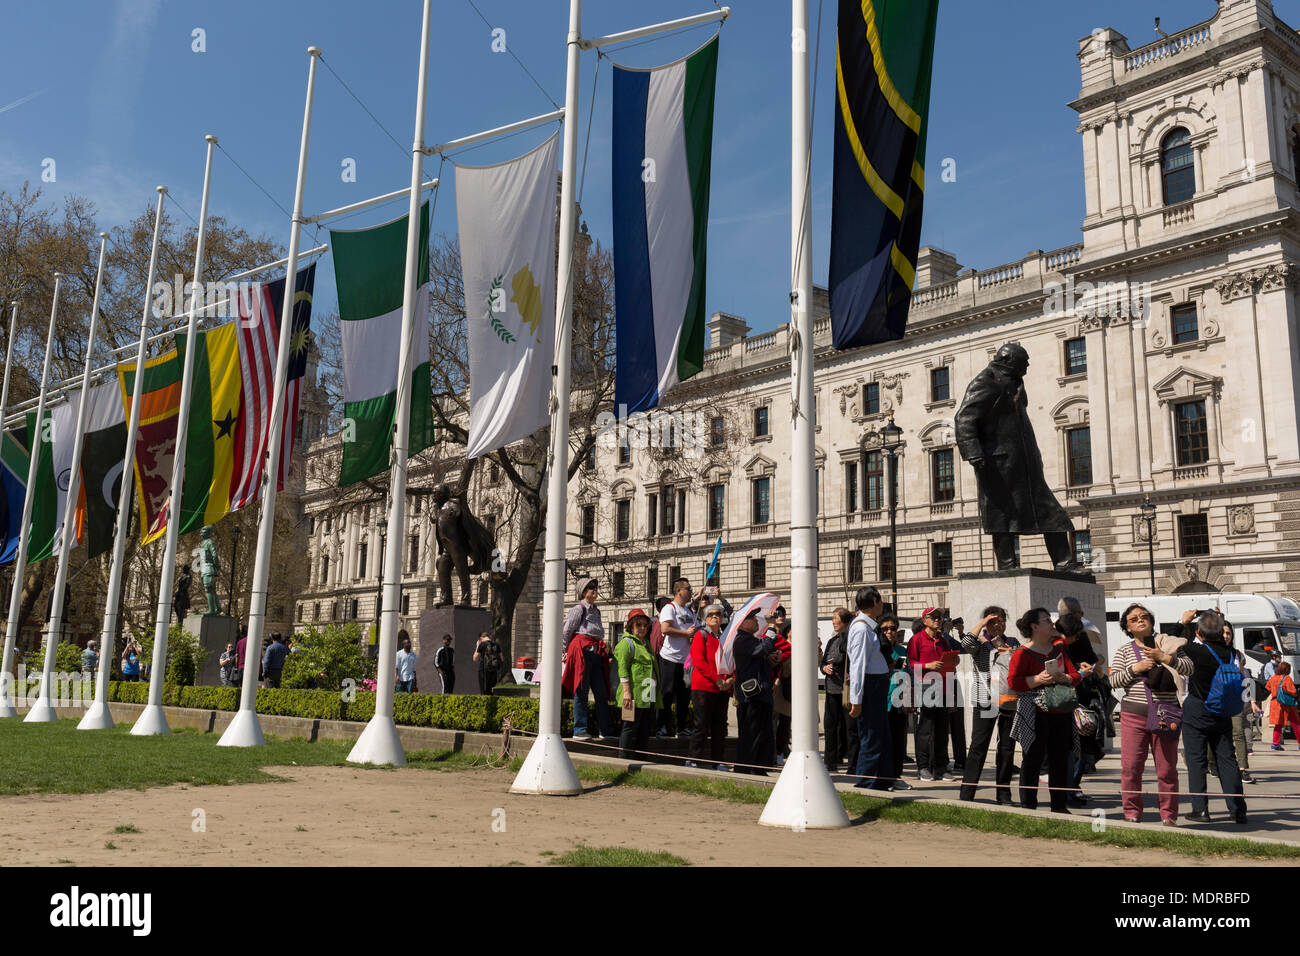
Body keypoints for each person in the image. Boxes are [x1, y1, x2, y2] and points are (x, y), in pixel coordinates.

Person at [1108, 603, 1193, 825]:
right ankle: (1132, 812)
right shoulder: (1124, 651)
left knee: (1166, 769)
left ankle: (1169, 816)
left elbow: (1189, 667)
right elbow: (1112, 680)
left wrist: (1164, 657)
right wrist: (1135, 669)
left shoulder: (1169, 644)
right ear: (1127, 628)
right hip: (1133, 714)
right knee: (1131, 767)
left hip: (1166, 712)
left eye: (1144, 616)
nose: (1140, 620)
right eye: (1134, 619)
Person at [1008, 607, 1081, 813]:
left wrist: (1064, 678)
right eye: (1047, 620)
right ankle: (1028, 805)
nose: (1052, 624)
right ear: (1034, 626)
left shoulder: (1058, 650)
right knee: (1032, 759)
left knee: (1060, 760)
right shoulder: (1021, 653)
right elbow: (1014, 683)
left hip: (1060, 710)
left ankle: (1058, 806)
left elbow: (1075, 676)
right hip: (1034, 712)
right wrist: (1037, 680)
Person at [1178, 610, 1247, 824]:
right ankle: (1237, 809)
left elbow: (1173, 639)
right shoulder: (1230, 652)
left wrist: (1184, 621)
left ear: (1198, 631)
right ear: (1221, 631)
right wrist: (1217, 618)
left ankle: (1201, 809)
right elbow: (1216, 634)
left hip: (1198, 708)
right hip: (1223, 709)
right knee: (1227, 759)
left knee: (1196, 760)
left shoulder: (1196, 651)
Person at [959, 606, 1019, 804]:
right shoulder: (981, 645)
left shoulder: (1013, 643)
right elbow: (965, 643)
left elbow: (1023, 664)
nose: (997, 624)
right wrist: (982, 624)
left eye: (1000, 620)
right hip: (984, 700)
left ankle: (1004, 794)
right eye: (992, 621)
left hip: (1008, 701)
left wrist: (1011, 653)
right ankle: (967, 794)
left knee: (1007, 748)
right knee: (978, 746)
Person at [847, 587, 892, 791]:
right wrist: (856, 699)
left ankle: (882, 780)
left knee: (881, 734)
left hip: (877, 684)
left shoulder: (868, 626)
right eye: (880, 601)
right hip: (870, 686)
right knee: (872, 735)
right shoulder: (861, 628)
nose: (882, 605)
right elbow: (857, 665)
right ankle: (866, 781)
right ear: (874, 601)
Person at [1055, 612, 1100, 807]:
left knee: (1077, 750)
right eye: (1076, 634)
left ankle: (1070, 790)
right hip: (1067, 703)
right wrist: (1079, 670)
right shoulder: (1057, 646)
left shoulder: (1066, 644)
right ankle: (1068, 792)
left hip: (1076, 702)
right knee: (1075, 750)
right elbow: (1059, 672)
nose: (1078, 638)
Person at [907, 607, 955, 782]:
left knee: (942, 731)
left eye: (940, 617)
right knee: (924, 731)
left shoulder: (943, 640)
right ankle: (923, 767)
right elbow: (910, 664)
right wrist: (928, 666)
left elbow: (949, 667)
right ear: (924, 620)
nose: (938, 619)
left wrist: (951, 694)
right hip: (925, 689)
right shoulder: (916, 639)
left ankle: (941, 768)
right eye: (933, 617)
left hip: (943, 689)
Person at [732, 608, 779, 775]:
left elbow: (762, 653)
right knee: (751, 733)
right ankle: (746, 768)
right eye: (753, 618)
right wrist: (771, 628)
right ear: (744, 623)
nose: (758, 621)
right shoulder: (742, 640)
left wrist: (771, 658)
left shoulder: (751, 639)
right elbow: (761, 649)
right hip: (752, 696)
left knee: (763, 733)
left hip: (761, 695)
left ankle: (758, 768)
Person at [686, 603, 732, 769]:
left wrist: (729, 679)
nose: (715, 616)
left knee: (720, 727)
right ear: (705, 618)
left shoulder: (723, 639)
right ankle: (693, 759)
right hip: (703, 687)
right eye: (711, 614)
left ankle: (717, 761)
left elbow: (729, 662)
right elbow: (699, 662)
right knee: (702, 725)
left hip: (722, 689)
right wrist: (717, 680)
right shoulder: (701, 635)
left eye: (718, 614)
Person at [562, 606, 615, 741]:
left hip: (595, 653)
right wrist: (565, 650)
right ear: (584, 591)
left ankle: (605, 730)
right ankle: (579, 730)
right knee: (581, 691)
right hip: (582, 651)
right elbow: (567, 630)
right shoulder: (579, 609)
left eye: (595, 587)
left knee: (601, 693)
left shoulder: (596, 610)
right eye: (591, 587)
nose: (594, 591)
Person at [615, 609, 661, 759]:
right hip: (633, 693)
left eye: (645, 625)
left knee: (645, 728)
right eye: (638, 624)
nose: (642, 628)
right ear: (630, 626)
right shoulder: (626, 643)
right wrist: (627, 692)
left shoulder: (646, 643)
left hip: (648, 692)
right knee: (629, 727)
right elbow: (622, 669)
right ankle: (623, 759)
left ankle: (642, 759)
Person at [657, 577, 698, 739]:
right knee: (667, 694)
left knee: (684, 695)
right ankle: (661, 727)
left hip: (686, 660)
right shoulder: (670, 608)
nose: (690, 591)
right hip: (670, 658)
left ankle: (680, 727)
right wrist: (685, 633)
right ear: (679, 591)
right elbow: (665, 628)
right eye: (688, 588)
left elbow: (691, 632)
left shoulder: (689, 612)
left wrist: (692, 636)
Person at [879, 613, 911, 790]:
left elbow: (906, 676)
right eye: (885, 629)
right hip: (882, 702)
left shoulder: (902, 651)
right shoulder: (876, 650)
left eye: (893, 628)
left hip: (899, 702)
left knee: (899, 742)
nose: (889, 632)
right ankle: (884, 777)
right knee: (885, 742)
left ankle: (896, 776)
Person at [821, 608, 852, 772]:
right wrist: (824, 667)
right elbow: (823, 661)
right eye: (833, 618)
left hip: (846, 690)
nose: (833, 622)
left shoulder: (849, 639)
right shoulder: (832, 641)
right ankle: (830, 760)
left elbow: (844, 658)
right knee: (830, 726)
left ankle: (851, 762)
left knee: (848, 727)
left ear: (845, 622)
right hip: (831, 689)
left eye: (836, 619)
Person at [941, 613, 967, 772]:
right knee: (941, 724)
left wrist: (960, 633)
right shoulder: (936, 638)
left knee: (957, 722)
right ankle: (941, 760)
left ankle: (961, 759)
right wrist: (945, 631)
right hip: (937, 683)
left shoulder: (947, 638)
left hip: (952, 681)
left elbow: (964, 648)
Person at [1265, 661, 1300, 750]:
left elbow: (1267, 687)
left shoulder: (1273, 678)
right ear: (1287, 670)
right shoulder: (1287, 678)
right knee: (1296, 723)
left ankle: (1275, 744)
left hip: (1276, 704)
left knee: (1278, 725)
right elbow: (1293, 691)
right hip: (1287, 704)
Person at [473, 630, 504, 695]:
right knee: (491, 690)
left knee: (484, 691)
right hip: (493, 670)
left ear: (481, 638)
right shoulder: (496, 644)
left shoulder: (482, 644)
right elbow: (502, 659)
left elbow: (475, 659)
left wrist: (477, 646)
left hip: (483, 670)